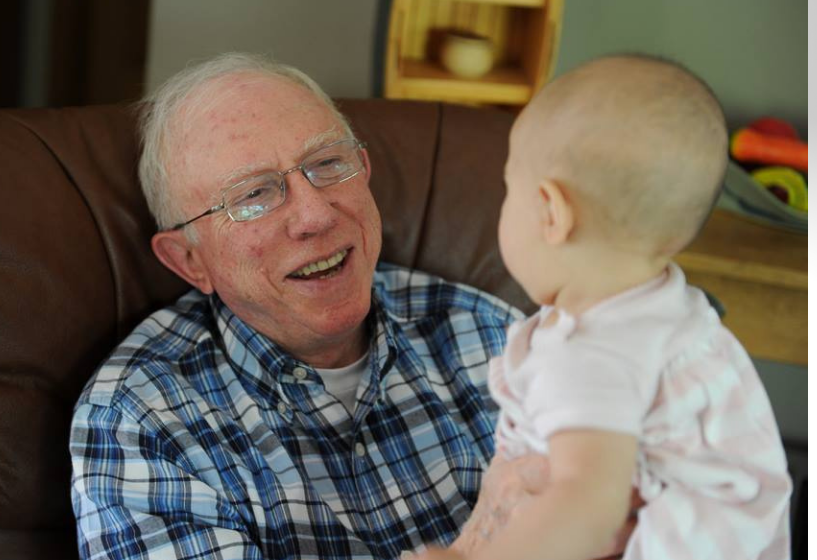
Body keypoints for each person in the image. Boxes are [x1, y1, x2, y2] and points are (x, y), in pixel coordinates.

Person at [69, 52, 584, 560]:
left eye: (327, 163)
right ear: (188, 260)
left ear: (363, 170)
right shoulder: (141, 420)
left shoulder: (488, 332)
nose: (314, 215)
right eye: (253, 195)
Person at [418, 55, 793, 560]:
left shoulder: (590, 350)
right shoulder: (671, 309)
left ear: (551, 212)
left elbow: (588, 510)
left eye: (509, 189)